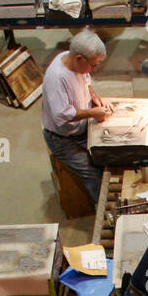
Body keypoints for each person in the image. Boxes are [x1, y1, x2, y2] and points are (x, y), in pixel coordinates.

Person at [41, 30, 112, 204]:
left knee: (111, 153)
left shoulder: (71, 58)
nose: (94, 70)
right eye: (93, 65)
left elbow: (87, 82)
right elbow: (62, 115)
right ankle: (105, 211)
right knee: (94, 174)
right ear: (79, 58)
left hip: (81, 128)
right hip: (63, 138)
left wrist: (95, 98)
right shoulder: (56, 78)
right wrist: (92, 113)